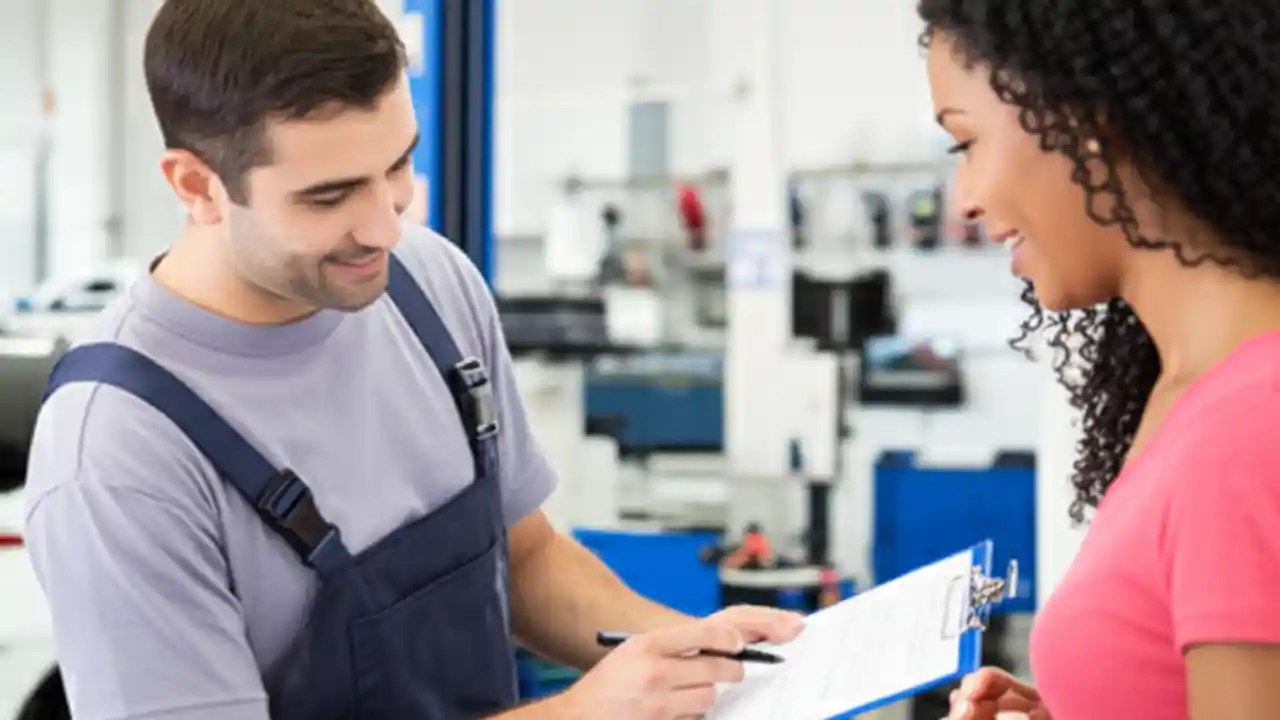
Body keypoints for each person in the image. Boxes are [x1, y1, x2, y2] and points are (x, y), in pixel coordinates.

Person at [20, 2, 804, 719]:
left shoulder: (429, 284)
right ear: (198, 186)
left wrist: (711, 661)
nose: (386, 228)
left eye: (397, 167)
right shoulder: (117, 455)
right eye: (329, 197)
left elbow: (526, 558)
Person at [919, 1, 1280, 719]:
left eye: (966, 145)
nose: (964, 200)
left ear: (1084, 122)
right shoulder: (1190, 394)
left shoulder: (1250, 426)